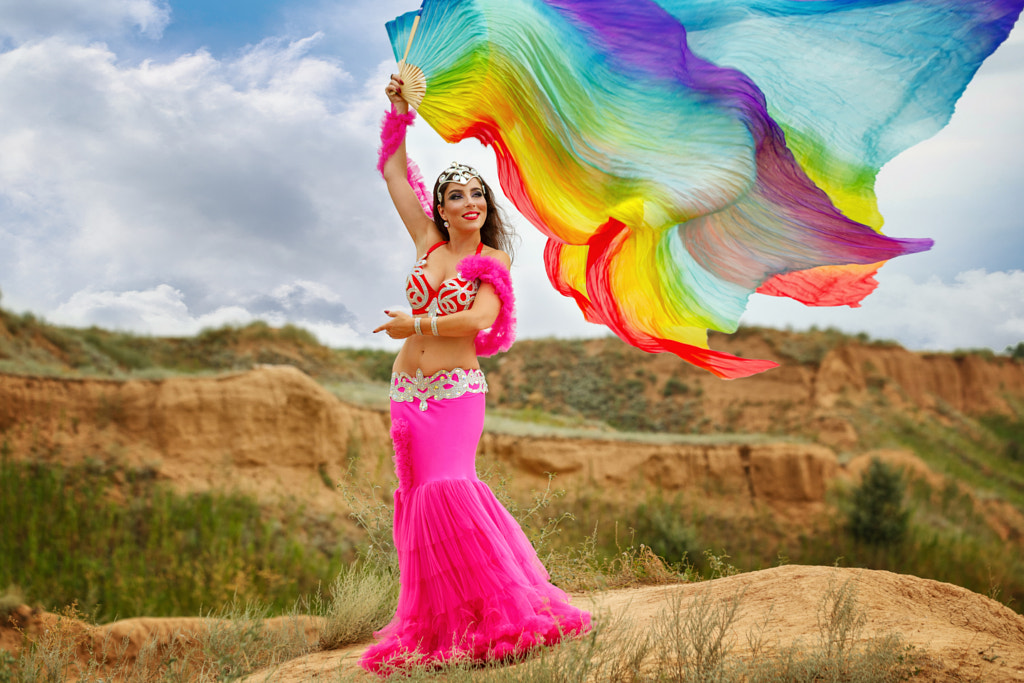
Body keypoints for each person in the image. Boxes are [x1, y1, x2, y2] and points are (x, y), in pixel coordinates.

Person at [358, 75, 591, 674]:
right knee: (417, 500)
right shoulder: (427, 242)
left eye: (477, 197)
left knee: (449, 490)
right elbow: (391, 173)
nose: (470, 204)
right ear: (440, 208)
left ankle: (502, 616)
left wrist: (418, 326)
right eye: (457, 196)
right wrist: (397, 110)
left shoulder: (492, 259)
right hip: (407, 392)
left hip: (456, 394)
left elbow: (481, 319)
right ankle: (443, 627)